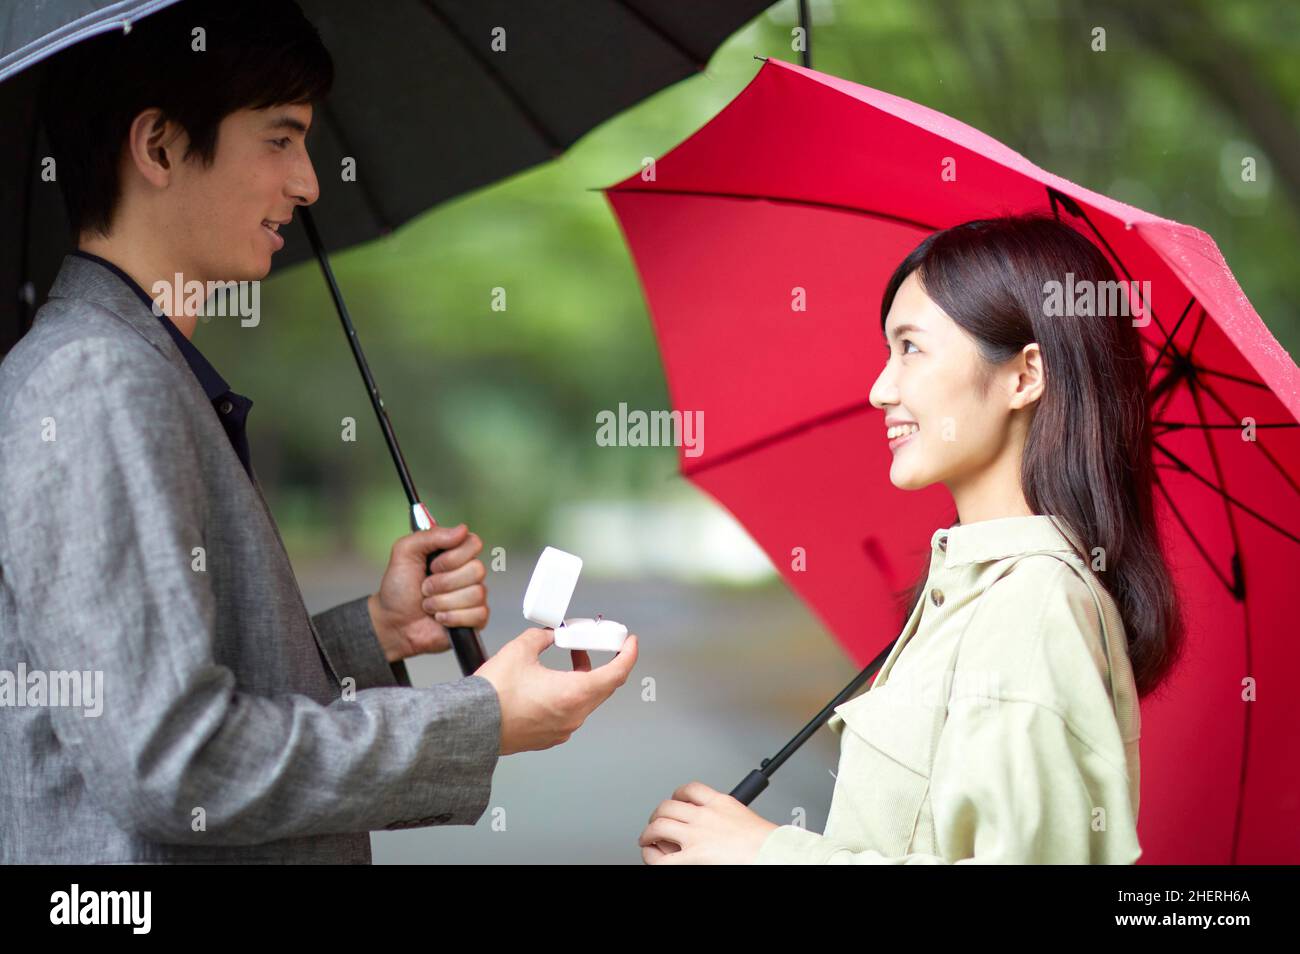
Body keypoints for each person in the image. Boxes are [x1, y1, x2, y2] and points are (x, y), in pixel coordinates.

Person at [0, 0, 636, 864]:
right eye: (279, 138)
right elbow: (175, 763)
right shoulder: (94, 380)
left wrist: (370, 634)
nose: (309, 181)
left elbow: (187, 691)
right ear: (158, 147)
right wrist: (477, 720)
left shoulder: (141, 365)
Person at [638, 214, 1183, 864]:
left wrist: (762, 853)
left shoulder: (1032, 609)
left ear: (1024, 376)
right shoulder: (976, 594)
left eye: (911, 347)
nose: (880, 389)